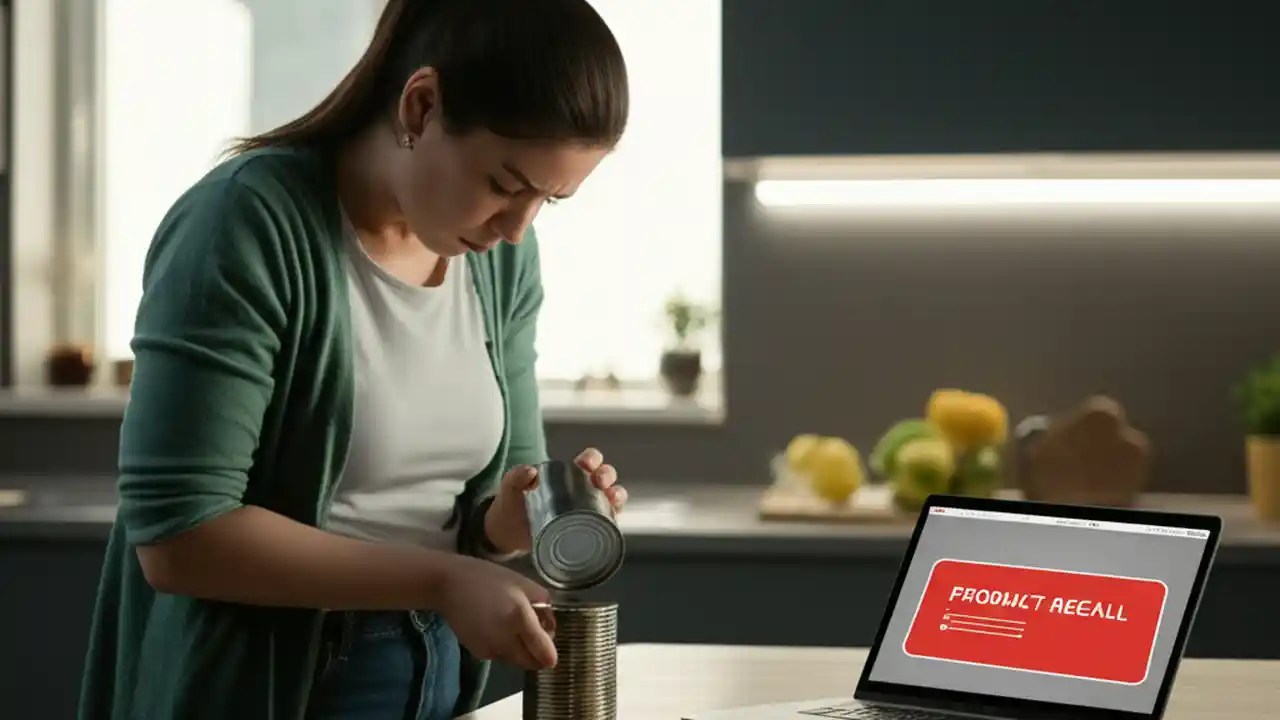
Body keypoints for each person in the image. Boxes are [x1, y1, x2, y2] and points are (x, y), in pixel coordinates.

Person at [77, 1, 630, 719]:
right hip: (267, 687)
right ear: (422, 105)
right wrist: (440, 581)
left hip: (436, 675)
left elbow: (471, 516)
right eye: (504, 185)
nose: (517, 230)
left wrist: (508, 523)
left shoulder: (500, 266)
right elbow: (181, 538)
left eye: (548, 202)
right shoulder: (243, 226)